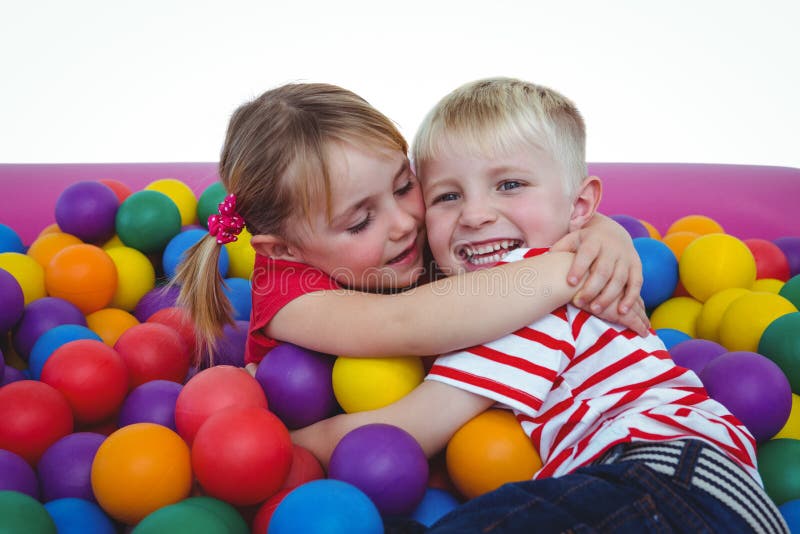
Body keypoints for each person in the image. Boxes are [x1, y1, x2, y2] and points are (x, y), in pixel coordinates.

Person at [291, 78, 787, 533]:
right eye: (447, 196)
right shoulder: (536, 277)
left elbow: (411, 427)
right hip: (690, 490)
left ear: (578, 206)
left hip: (670, 481)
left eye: (509, 184)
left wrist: (283, 448)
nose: (476, 214)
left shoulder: (518, 299)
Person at [175, 82, 648, 370]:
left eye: (405, 186)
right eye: (360, 221)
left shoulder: (415, 237)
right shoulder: (288, 296)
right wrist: (569, 267)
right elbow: (406, 323)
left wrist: (603, 233)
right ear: (283, 250)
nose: (405, 223)